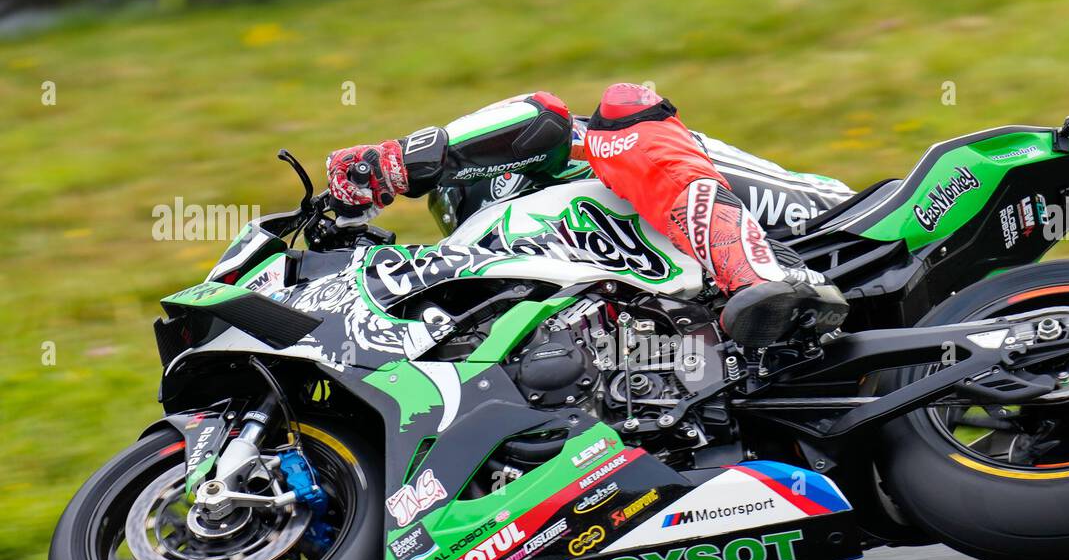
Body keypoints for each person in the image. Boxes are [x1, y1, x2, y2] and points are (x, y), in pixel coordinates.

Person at [326, 83, 850, 347]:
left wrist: (397, 162)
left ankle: (757, 276)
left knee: (621, 112)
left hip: (829, 224)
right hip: (722, 303)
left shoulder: (579, 151)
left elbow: (541, 116)